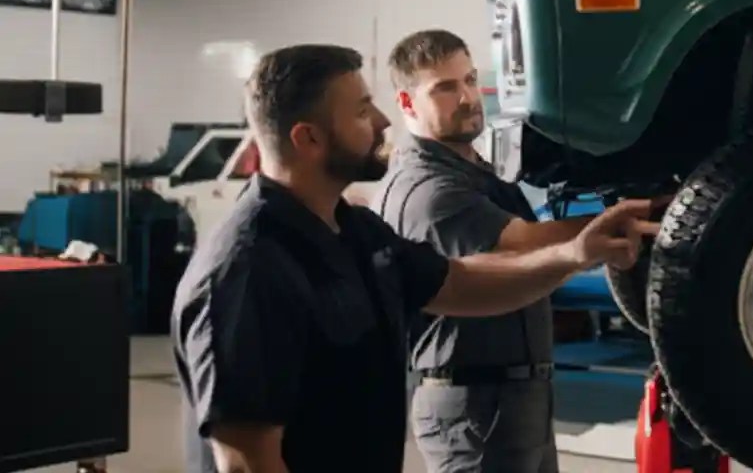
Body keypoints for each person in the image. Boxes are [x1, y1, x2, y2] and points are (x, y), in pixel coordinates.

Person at [170, 43, 658, 473]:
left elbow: (459, 281)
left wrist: (575, 253)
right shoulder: (247, 270)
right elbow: (246, 462)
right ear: (308, 138)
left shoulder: (353, 230)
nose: (383, 122)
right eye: (362, 112)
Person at [374, 29, 616, 473]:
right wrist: (625, 222)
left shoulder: (472, 169)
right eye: (445, 88)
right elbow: (524, 245)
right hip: (475, 405)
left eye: (468, 80)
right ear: (407, 103)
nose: (467, 97)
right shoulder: (427, 188)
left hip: (516, 395)